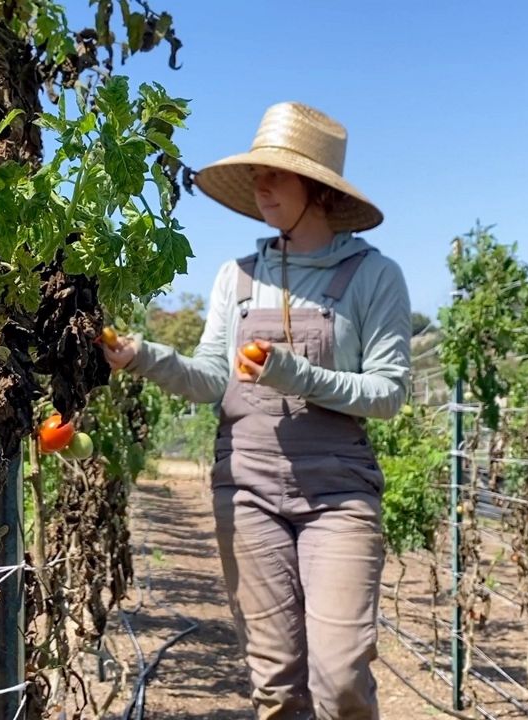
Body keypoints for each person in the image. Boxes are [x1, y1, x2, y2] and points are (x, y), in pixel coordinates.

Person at [102, 101, 412, 719]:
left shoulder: (374, 276)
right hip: (247, 490)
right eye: (256, 174)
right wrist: (142, 356)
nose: (261, 186)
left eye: (276, 174)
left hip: (338, 493)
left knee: (341, 676)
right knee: (274, 683)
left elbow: (388, 392)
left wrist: (295, 374)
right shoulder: (237, 278)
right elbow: (210, 380)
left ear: (317, 188)